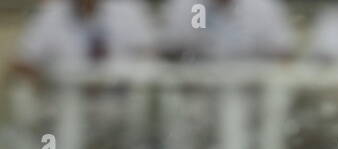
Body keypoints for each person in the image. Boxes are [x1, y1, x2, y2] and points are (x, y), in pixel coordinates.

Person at [8, 0, 156, 81]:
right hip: (65, 102)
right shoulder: (52, 12)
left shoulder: (128, 8)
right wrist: (46, 79)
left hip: (121, 99)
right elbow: (21, 62)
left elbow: (151, 53)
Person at [159, 0, 296, 62]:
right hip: (195, 96)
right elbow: (165, 52)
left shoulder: (265, 6)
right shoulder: (182, 6)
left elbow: (284, 54)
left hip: (253, 97)